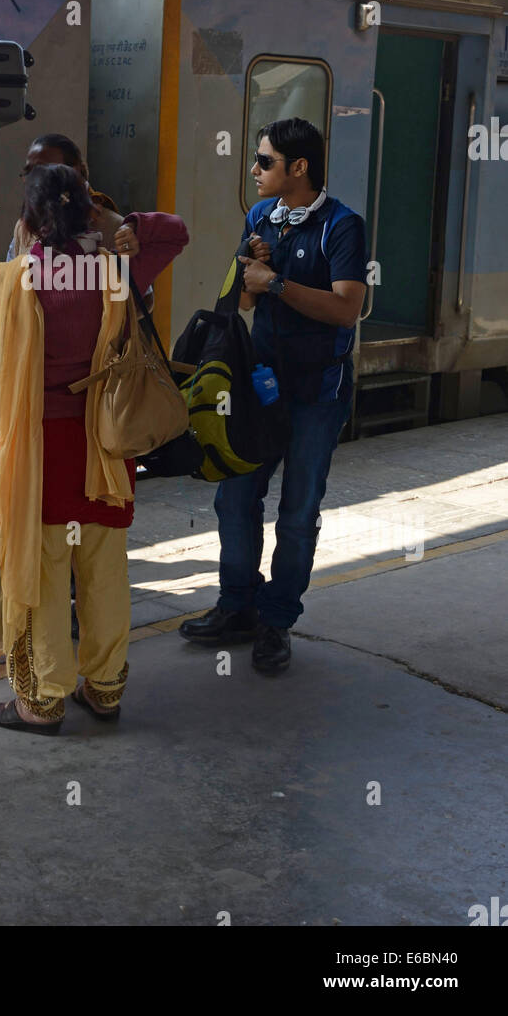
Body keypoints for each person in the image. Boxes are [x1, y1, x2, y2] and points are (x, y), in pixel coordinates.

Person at [0, 162, 188, 735]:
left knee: (41, 575)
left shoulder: (12, 282)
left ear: (29, 219)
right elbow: (176, 232)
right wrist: (124, 223)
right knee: (104, 572)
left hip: (37, 458)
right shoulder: (117, 273)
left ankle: (41, 700)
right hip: (107, 449)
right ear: (86, 211)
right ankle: (106, 690)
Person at [179, 118, 367, 674]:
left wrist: (277, 283)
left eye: (264, 162)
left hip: (316, 391)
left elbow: (345, 308)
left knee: (298, 510)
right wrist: (248, 266)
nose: (255, 170)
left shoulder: (342, 226)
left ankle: (277, 620)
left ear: (298, 168)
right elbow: (240, 300)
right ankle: (237, 606)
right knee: (235, 497)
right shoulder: (261, 216)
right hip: (256, 384)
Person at [0, 132, 128, 272]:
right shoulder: (26, 227)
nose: (35, 180)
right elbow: (7, 293)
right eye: (29, 172)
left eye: (45, 170)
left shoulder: (113, 228)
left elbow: (136, 300)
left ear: (76, 171)